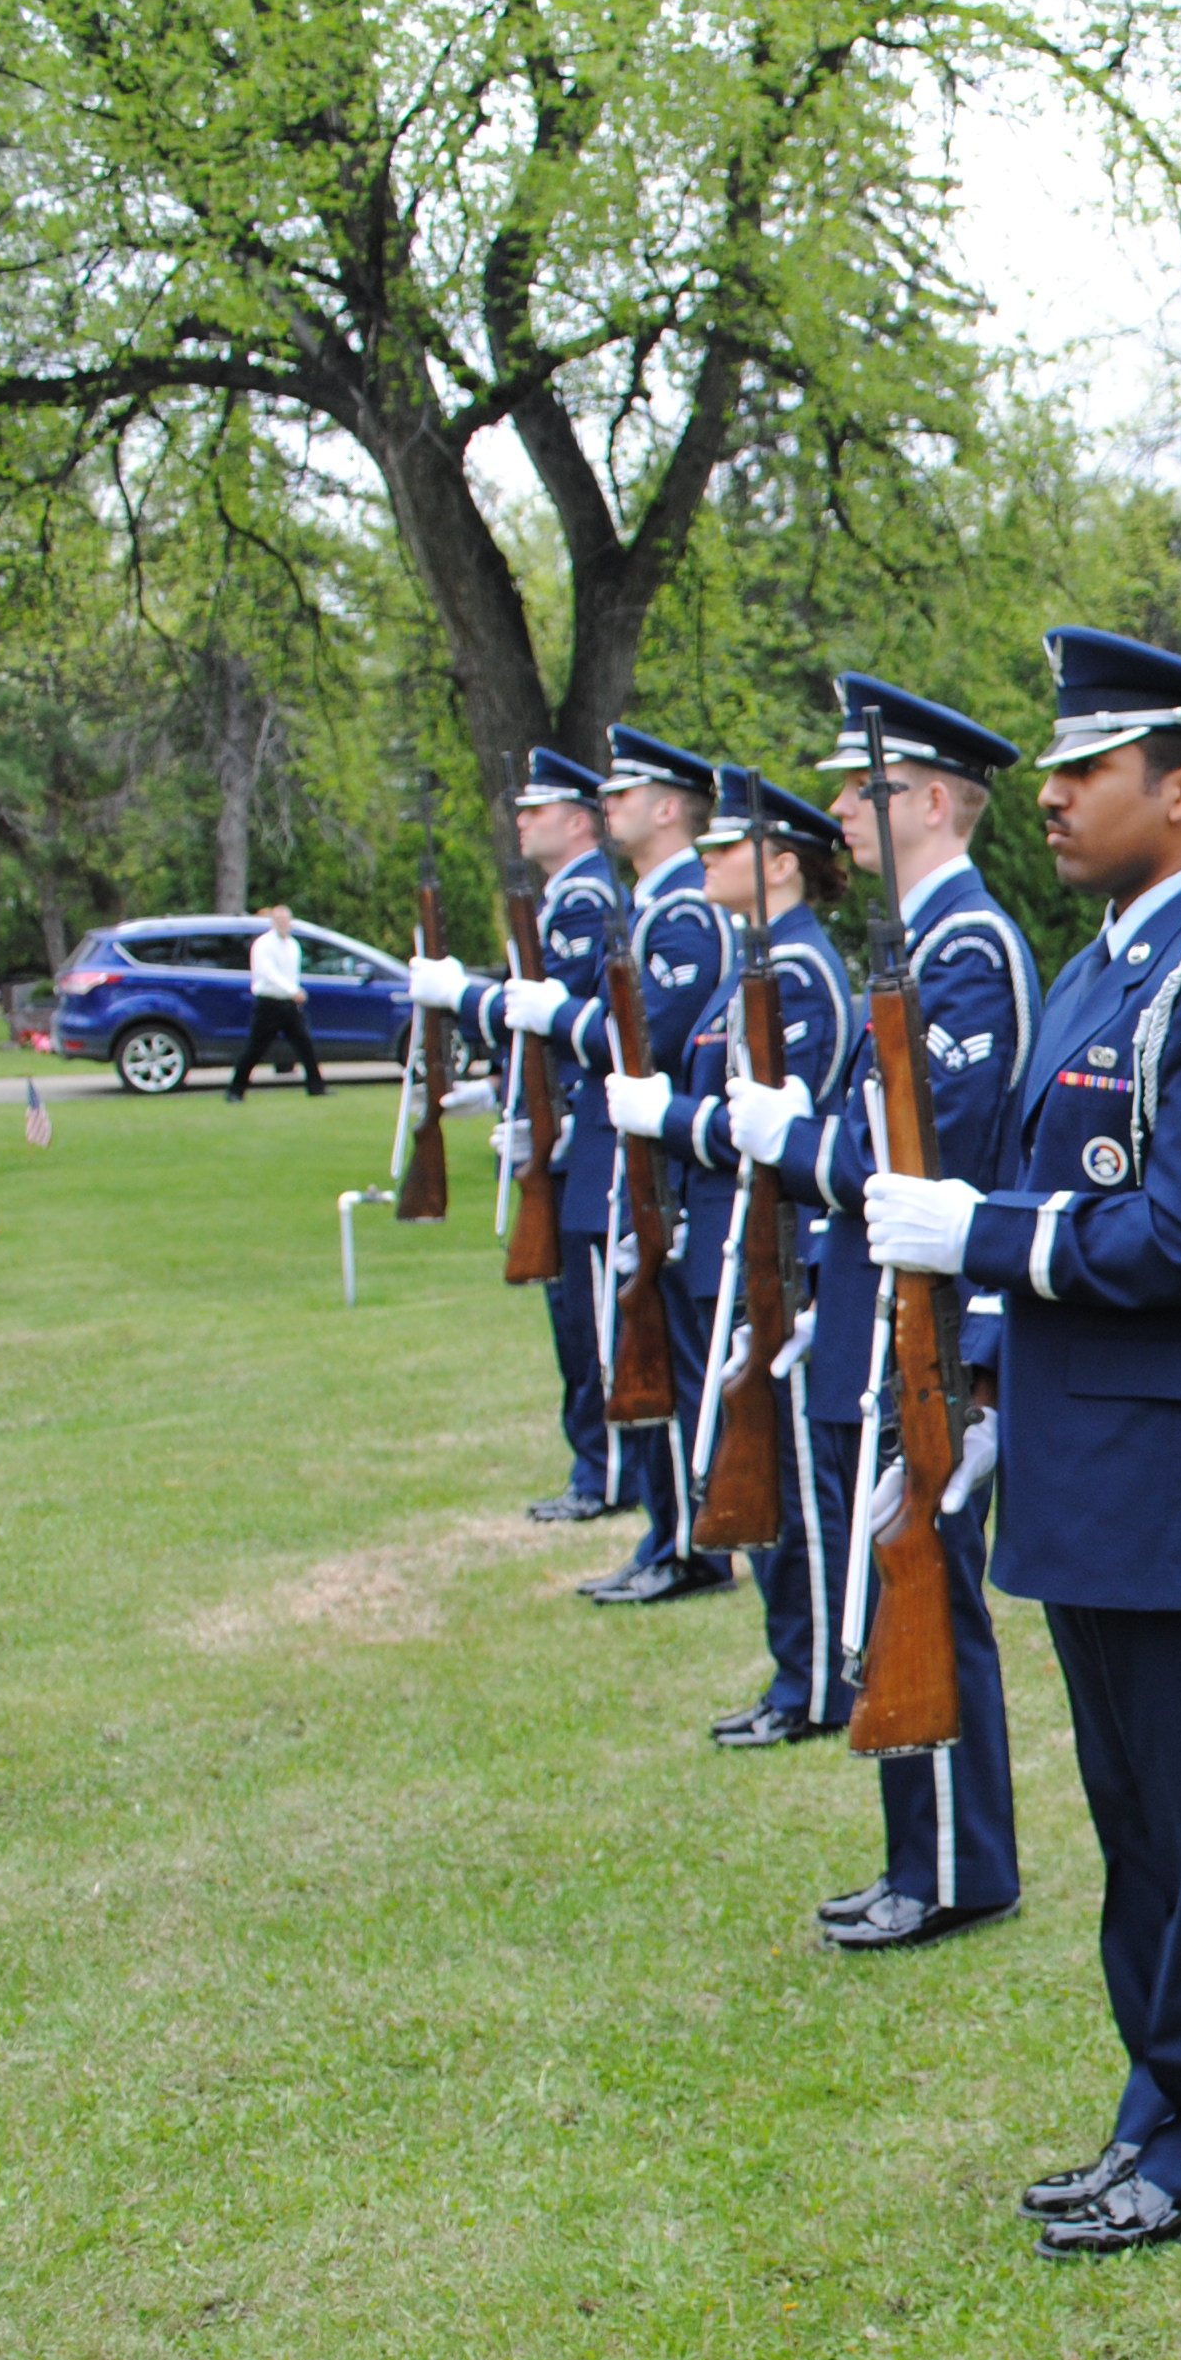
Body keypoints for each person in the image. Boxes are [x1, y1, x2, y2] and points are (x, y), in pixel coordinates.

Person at [864, 629, 1181, 2253]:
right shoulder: (1099, 964)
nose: (1047, 797)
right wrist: (982, 1386)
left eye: (1085, 769)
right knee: (1139, 1835)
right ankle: (1159, 2106)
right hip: (1090, 1467)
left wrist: (975, 1235)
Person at [732, 674, 1033, 1945]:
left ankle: (960, 1863)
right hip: (875, 1321)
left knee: (926, 1586)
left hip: (926, 1326)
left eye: (863, 788)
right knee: (893, 1582)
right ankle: (919, 1850)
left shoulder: (968, 950)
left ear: (929, 803)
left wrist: (795, 1147)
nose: (841, 808)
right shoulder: (915, 945)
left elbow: (934, 1160)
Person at [608, 771, 856, 1741]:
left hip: (778, 1254)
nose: (707, 859)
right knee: (754, 1468)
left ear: (783, 864)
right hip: (726, 1249)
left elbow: (772, 1132)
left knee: (792, 1483)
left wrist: (666, 1118)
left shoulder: (798, 971)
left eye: (728, 846)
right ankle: (791, 1670)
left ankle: (818, 1684)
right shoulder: (751, 963)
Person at [491, 725, 737, 1607]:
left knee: (653, 1355)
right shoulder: (649, 904)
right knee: (626, 1350)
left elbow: (649, 1040)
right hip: (615, 1156)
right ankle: (664, 1531)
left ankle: (686, 1542)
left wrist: (555, 1016)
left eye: (625, 796)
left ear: (669, 808)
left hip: (649, 1164)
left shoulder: (681, 913)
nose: (608, 808)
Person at [414, 749, 625, 1523]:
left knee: (584, 1320)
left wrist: (463, 996)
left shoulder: (582, 903)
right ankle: (597, 1464)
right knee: (572, 1314)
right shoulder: (566, 899)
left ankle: (602, 1470)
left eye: (537, 810)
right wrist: (500, 1090)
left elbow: (556, 1016)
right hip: (557, 1125)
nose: (521, 820)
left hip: (578, 1136)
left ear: (577, 820)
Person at [228, 904, 328, 1099]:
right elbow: (268, 973)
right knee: (255, 1048)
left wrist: (294, 993)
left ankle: (316, 1087)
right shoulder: (263, 944)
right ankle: (235, 1090)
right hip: (269, 1003)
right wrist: (293, 991)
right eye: (279, 920)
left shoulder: (293, 945)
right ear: (273, 922)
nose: (283, 923)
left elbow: (292, 974)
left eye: (286, 920)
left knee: (305, 1044)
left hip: (289, 1005)